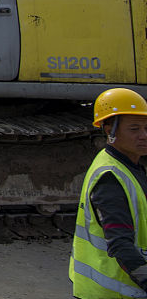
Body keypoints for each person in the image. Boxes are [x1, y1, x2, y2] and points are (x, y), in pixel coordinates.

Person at [70, 87, 147, 297]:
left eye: (146, 128)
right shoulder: (110, 178)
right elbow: (120, 244)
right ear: (109, 130)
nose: (144, 135)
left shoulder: (131, 167)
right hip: (111, 292)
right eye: (134, 129)